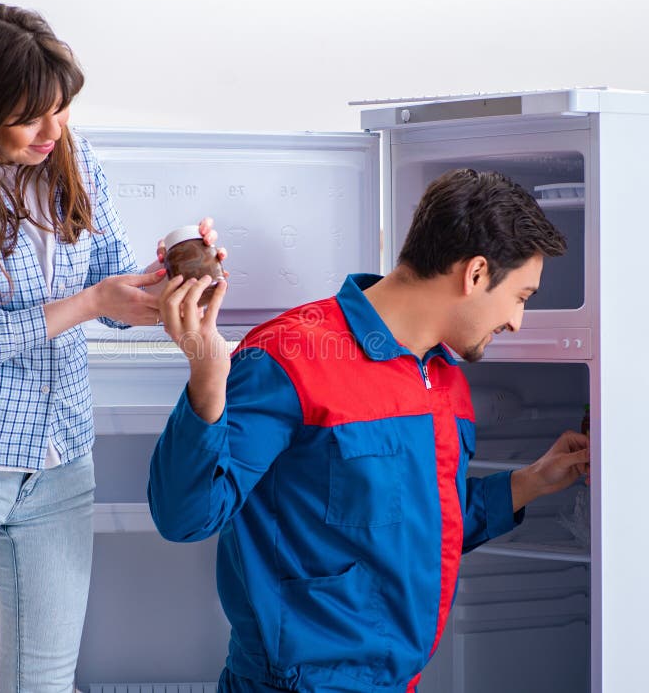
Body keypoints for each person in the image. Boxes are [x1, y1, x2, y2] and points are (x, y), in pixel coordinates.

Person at [0, 4, 224, 693]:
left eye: (62, 109)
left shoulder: (74, 159)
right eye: (31, 116)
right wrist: (90, 303)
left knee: (44, 682)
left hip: (62, 459)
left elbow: (113, 290)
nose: (53, 130)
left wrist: (171, 277)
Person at [148, 168, 590, 693]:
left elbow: (421, 525)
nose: (517, 320)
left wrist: (535, 480)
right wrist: (206, 378)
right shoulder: (291, 356)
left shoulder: (446, 382)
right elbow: (186, 515)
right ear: (474, 274)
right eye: (521, 295)